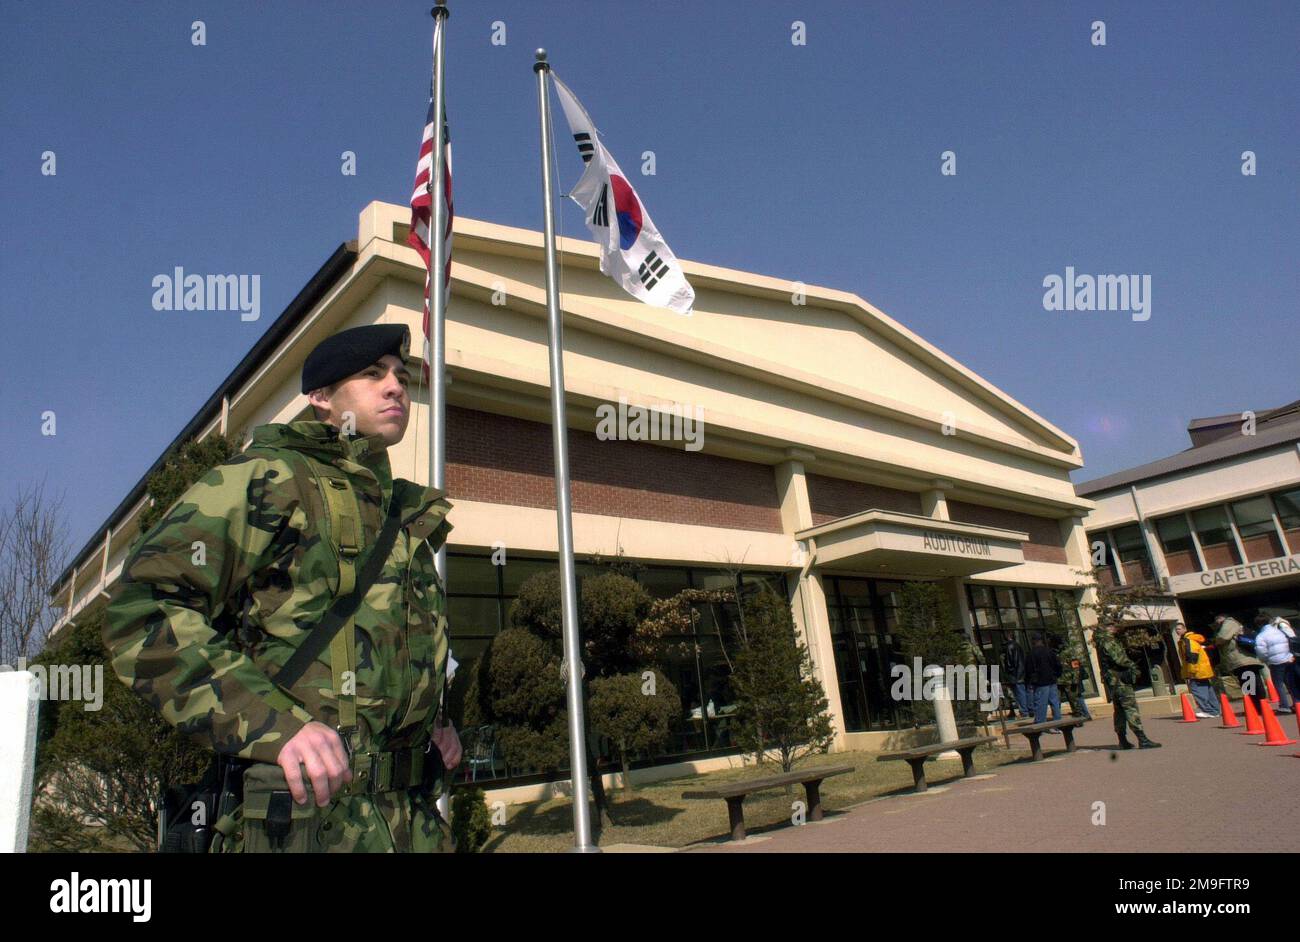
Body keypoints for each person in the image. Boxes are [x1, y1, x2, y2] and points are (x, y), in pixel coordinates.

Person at [104, 324, 462, 852]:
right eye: (371, 374)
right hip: (301, 824)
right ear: (320, 397)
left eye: (401, 377)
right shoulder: (271, 477)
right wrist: (274, 724)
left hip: (408, 820)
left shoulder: (402, 512)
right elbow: (144, 610)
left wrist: (434, 721)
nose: (395, 388)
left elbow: (404, 646)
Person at [1093, 624, 1161, 749]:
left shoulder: (1101, 641)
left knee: (1119, 710)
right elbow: (1119, 659)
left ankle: (1122, 739)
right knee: (1130, 708)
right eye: (1112, 625)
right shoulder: (1108, 641)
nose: (1114, 627)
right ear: (1107, 627)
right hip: (1119, 680)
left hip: (1114, 680)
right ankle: (1142, 739)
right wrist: (1133, 666)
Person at [1213, 614, 1267, 717]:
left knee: (1250, 686)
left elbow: (1223, 637)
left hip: (1241, 660)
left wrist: (1216, 641)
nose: (1217, 624)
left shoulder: (1229, 622)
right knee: (1253, 684)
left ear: (1221, 619)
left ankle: (1256, 709)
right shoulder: (1235, 624)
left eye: (1217, 622)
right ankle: (1259, 707)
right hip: (1246, 659)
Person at [1253, 614, 1299, 714]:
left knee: (1278, 684)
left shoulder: (1261, 636)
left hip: (1275, 662)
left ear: (1258, 625)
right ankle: (1297, 703)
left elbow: (1261, 651)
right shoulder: (1279, 631)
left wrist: (1266, 659)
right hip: (1288, 658)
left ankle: (1284, 706)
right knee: (1291, 683)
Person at [1175, 622, 1219, 717]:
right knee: (1208, 690)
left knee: (1196, 690)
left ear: (1184, 629)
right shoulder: (1190, 640)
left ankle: (1208, 710)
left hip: (1197, 671)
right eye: (1176, 629)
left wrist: (1191, 671)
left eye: (1179, 629)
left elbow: (1192, 656)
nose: (1177, 631)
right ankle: (1215, 711)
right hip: (1202, 670)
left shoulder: (1188, 641)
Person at [1025, 633, 1063, 728]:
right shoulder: (1049, 651)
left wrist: (1029, 681)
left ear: (1034, 641)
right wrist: (1056, 675)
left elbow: (1028, 669)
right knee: (1054, 702)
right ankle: (1057, 723)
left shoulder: (1032, 653)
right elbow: (1058, 665)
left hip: (1041, 682)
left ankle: (1040, 724)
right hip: (1051, 680)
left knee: (1041, 703)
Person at [1001, 636, 1030, 719]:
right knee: (1022, 693)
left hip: (1015, 675)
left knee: (1019, 694)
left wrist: (1009, 673)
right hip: (1020, 673)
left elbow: (1009, 663)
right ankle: (1027, 711)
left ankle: (1024, 712)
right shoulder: (1018, 645)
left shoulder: (1009, 647)